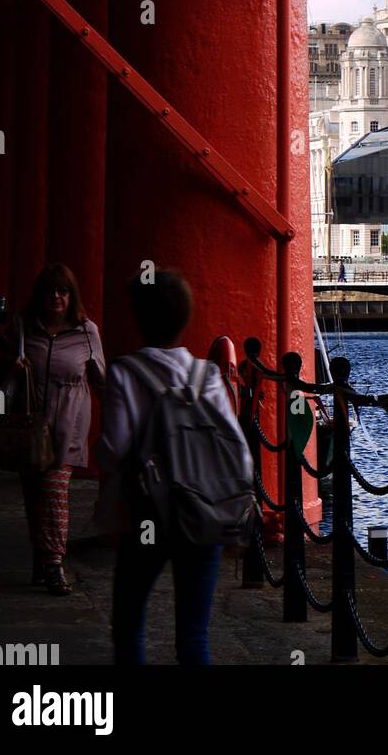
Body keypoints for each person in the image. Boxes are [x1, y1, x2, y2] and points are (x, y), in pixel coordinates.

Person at [97, 269, 253, 666]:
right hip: (203, 512)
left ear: (137, 317)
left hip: (147, 516)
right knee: (194, 636)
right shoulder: (208, 376)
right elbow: (238, 450)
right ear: (185, 318)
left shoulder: (124, 373)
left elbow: (114, 450)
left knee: (130, 622)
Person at [0, 263, 106, 596]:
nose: (56, 297)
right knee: (34, 494)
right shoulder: (22, 328)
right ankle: (39, 557)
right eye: (50, 291)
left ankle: (55, 563)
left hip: (69, 424)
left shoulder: (87, 332)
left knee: (54, 490)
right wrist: (10, 367)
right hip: (29, 425)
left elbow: (101, 380)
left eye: (63, 291)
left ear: (72, 296)